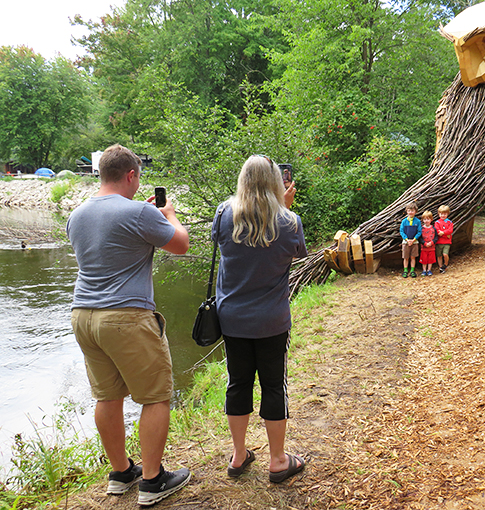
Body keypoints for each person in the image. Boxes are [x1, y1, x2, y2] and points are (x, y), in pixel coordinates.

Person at [67, 144, 191, 506]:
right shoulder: (139, 212)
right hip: (125, 316)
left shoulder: (77, 214)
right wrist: (167, 215)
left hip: (83, 316)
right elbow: (180, 245)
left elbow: (107, 246)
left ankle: (121, 473)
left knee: (107, 395)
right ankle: (153, 481)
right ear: (131, 175)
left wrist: (147, 219)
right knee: (156, 396)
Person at [213, 154, 307, 484]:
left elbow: (223, 246)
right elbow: (295, 253)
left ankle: (239, 456)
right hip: (271, 320)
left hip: (232, 319)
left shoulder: (224, 214)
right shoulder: (290, 221)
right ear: (275, 182)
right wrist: (285, 206)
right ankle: (278, 460)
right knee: (273, 386)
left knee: (237, 383)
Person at [399, 202, 422, 278]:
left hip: (415, 242)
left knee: (413, 257)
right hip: (405, 242)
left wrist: (413, 240)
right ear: (406, 211)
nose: (410, 212)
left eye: (412, 210)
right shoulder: (404, 221)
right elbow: (401, 231)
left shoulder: (417, 221)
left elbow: (419, 232)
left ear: (415, 211)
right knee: (406, 257)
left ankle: (412, 270)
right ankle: (405, 270)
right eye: (409, 210)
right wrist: (407, 239)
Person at [435, 205, 454, 273]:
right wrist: (446, 234)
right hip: (439, 242)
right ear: (439, 214)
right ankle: (441, 267)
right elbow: (437, 230)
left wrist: (443, 232)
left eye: (445, 214)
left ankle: (445, 264)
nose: (443, 215)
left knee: (445, 254)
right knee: (439, 255)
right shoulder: (437, 222)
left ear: (447, 214)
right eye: (441, 214)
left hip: (447, 242)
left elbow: (450, 230)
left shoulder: (449, 222)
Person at [419, 211, 437, 276]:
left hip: (432, 248)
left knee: (430, 260)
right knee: (424, 259)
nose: (426, 221)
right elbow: (420, 238)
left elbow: (436, 238)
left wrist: (431, 243)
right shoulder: (421, 229)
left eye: (428, 219)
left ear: (431, 220)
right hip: (424, 248)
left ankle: (429, 270)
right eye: (425, 219)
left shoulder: (433, 229)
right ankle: (424, 270)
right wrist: (424, 243)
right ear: (423, 220)